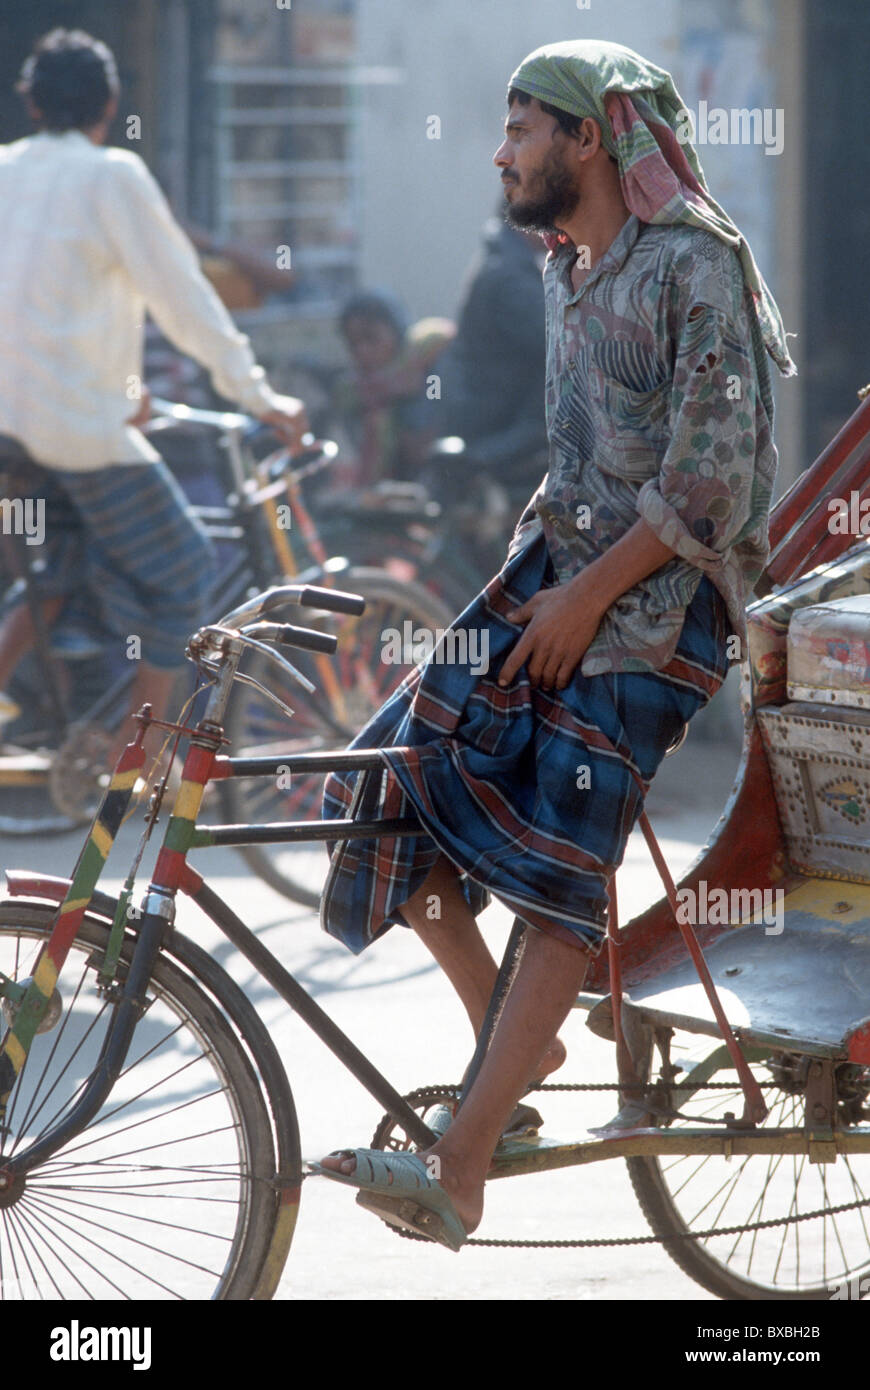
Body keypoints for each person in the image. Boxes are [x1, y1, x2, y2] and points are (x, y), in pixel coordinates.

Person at [313, 38, 795, 1250]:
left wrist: (584, 602)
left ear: (592, 137)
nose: (501, 148)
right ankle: (513, 1061)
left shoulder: (697, 268)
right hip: (552, 579)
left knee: (555, 883)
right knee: (376, 788)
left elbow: (712, 485)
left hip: (658, 614)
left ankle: (463, 1161)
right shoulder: (562, 268)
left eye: (524, 126)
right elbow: (575, 461)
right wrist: (537, 586)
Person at [0, 28, 308, 756]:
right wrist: (259, 395)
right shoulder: (115, 176)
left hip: (15, 424)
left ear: (31, 102)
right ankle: (134, 751)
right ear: (108, 106)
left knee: (58, 575)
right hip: (77, 430)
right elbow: (184, 299)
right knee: (188, 570)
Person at [436, 211, 548, 489]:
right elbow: (559, 343)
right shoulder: (510, 276)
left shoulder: (502, 262)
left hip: (485, 417)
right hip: (500, 426)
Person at [334, 290, 455, 486]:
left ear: (397, 333)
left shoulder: (433, 363)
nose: (362, 351)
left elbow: (427, 446)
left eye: (371, 338)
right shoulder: (354, 394)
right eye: (353, 343)